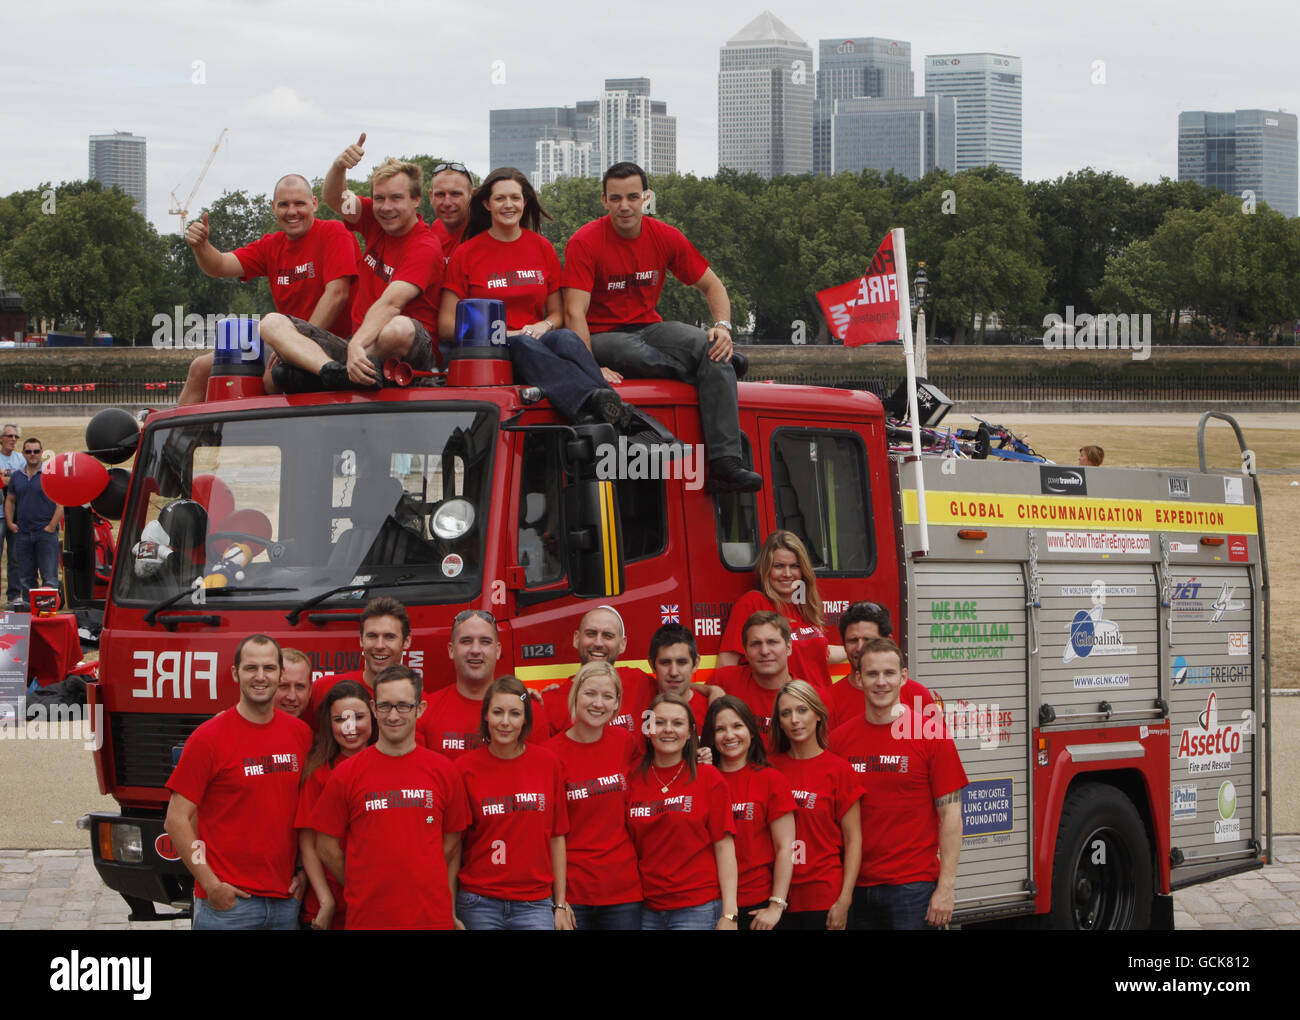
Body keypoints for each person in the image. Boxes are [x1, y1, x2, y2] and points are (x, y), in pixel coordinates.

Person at [562, 161, 760, 493]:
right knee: (634, 351)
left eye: (632, 197)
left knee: (711, 346)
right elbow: (573, 313)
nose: (624, 206)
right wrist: (590, 365)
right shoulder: (585, 241)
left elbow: (713, 286)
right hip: (602, 335)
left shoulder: (666, 236)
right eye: (616, 198)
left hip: (649, 327)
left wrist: (723, 328)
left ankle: (726, 463)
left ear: (646, 198)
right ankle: (705, 371)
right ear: (604, 201)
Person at [439, 167, 635, 429]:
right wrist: (503, 335)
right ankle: (593, 402)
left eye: (515, 198)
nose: (509, 205)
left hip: (537, 340)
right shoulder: (467, 253)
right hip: (495, 350)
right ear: (487, 203)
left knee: (565, 337)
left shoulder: (542, 248)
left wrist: (544, 325)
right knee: (522, 345)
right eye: (500, 199)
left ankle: (608, 404)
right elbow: (445, 324)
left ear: (525, 202)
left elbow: (558, 314)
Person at [260, 135, 442, 390]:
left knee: (396, 328)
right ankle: (332, 372)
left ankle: (338, 369)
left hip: (409, 347)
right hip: (357, 344)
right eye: (379, 198)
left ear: (415, 200)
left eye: (396, 198)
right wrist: (339, 166)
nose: (386, 207)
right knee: (271, 323)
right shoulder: (374, 219)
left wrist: (357, 345)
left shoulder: (424, 245)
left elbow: (390, 304)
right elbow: (334, 198)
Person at [163, 635, 312, 929]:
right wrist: (209, 882)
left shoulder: (301, 735)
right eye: (250, 668)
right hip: (227, 907)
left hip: (285, 903)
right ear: (235, 673)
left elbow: (304, 815)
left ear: (280, 674)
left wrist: (304, 873)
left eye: (269, 668)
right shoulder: (208, 738)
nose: (260, 677)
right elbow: (176, 820)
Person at [176, 173, 361, 405]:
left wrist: (295, 348)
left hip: (338, 342)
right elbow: (219, 265)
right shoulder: (270, 246)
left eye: (299, 203)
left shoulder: (334, 233)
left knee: (269, 377)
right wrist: (201, 246)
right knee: (201, 366)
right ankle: (183, 440)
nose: (292, 211)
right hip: (287, 341)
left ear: (314, 204)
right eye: (284, 204)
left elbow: (337, 294)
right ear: (273, 208)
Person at [314, 665, 467, 930]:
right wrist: (361, 881)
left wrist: (418, 875)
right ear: (373, 709)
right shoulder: (346, 774)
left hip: (430, 918)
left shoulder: (444, 771)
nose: (393, 716)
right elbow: (326, 847)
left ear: (420, 709)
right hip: (369, 918)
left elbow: (452, 839)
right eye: (385, 706)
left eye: (403, 706)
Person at [830, 638, 967, 930]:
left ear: (903, 677)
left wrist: (946, 889)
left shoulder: (931, 735)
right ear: (858, 678)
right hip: (855, 887)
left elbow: (951, 816)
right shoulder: (839, 741)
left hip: (913, 889)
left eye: (889, 673)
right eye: (872, 674)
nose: (881, 682)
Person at [453, 674, 571, 930]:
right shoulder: (464, 769)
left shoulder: (548, 764)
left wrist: (560, 903)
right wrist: (449, 907)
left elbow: (557, 836)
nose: (505, 722)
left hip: (535, 903)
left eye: (515, 713)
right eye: (497, 712)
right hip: (478, 901)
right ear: (486, 715)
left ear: (526, 718)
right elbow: (454, 846)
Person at [627, 692, 738, 929]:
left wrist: (730, 913)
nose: (668, 729)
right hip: (646, 909)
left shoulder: (709, 778)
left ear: (690, 733)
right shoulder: (632, 778)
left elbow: (724, 846)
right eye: (659, 722)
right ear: (647, 729)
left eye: (677, 723)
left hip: (697, 907)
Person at [544, 661, 642, 929]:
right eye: (590, 693)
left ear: (616, 704)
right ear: (575, 695)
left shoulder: (625, 743)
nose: (598, 703)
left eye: (607, 696)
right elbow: (552, 833)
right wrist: (559, 901)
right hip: (573, 895)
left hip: (623, 892)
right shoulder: (550, 754)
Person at [770, 679, 862, 930]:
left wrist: (844, 900)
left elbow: (853, 841)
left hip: (823, 898)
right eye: (786, 713)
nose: (795, 720)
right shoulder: (769, 768)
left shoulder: (840, 770)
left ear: (818, 715)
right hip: (776, 900)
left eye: (802, 710)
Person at [701, 696, 795, 931]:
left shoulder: (770, 780)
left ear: (752, 732)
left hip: (756, 906)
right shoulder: (701, 780)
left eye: (737, 726)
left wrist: (776, 905)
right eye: (720, 729)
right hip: (705, 904)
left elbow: (787, 847)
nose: (729, 735)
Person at [718, 530, 846, 689]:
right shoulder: (753, 603)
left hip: (820, 706)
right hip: (782, 709)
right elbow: (725, 668)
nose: (787, 574)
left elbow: (820, 654)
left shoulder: (803, 606)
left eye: (794, 566)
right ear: (766, 569)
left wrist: (859, 646)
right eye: (778, 566)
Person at [294, 679, 375, 929]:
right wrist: (326, 900)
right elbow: (309, 845)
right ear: (329, 724)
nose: (350, 727)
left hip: (378, 905)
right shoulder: (319, 774)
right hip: (329, 909)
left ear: (373, 715)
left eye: (358, 717)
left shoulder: (390, 765)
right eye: (340, 720)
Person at [417, 609, 550, 759]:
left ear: (498, 650)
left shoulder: (530, 712)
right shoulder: (426, 711)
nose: (475, 650)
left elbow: (541, 773)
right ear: (451, 650)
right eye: (466, 641)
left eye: (485, 642)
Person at [307, 597, 423, 722]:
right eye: (372, 636)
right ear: (361, 640)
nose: (379, 645)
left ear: (406, 641)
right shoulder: (323, 690)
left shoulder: (419, 702)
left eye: (389, 637)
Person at [825, 601, 933, 730]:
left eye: (868, 640)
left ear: (888, 640)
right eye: (853, 640)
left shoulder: (918, 696)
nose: (860, 647)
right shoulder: (828, 701)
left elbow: (938, 747)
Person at [542, 605, 646, 735]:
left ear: (622, 644)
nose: (598, 643)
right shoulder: (551, 702)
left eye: (608, 636)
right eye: (591, 634)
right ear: (576, 639)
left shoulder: (640, 682)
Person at [710, 611, 797, 736]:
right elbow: (685, 692)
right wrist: (709, 690)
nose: (765, 651)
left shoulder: (805, 698)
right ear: (745, 651)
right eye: (756, 644)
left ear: (789, 648)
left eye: (772, 642)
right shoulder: (724, 680)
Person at [5, 437, 62, 603]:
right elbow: (10, 500)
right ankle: (30, 615)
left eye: (36, 451)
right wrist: (10, 523)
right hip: (23, 534)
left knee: (49, 578)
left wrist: (51, 527)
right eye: (28, 451)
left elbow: (61, 502)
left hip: (45, 534)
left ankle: (46, 614)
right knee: (26, 579)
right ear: (23, 453)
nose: (32, 455)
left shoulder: (50, 475)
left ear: (41, 453)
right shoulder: (17, 476)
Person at [625, 623, 710, 732]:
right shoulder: (638, 697)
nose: (673, 672)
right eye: (665, 663)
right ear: (652, 665)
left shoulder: (711, 711)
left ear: (696, 663)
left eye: (682, 662)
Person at [428, 161, 473, 263]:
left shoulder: (484, 231)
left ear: (471, 195)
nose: (447, 203)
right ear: (431, 197)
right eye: (440, 194)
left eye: (455, 194)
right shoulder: (435, 229)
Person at [0, 424, 25, 604]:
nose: (13, 440)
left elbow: (24, 481)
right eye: (9, 436)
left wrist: (5, 479)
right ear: (1, 438)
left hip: (17, 516)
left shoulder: (21, 459)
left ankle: (14, 596)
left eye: (16, 437)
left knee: (15, 558)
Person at [273, 647, 313, 720]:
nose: (292, 697)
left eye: (299, 687)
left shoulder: (308, 731)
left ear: (310, 691)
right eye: (284, 686)